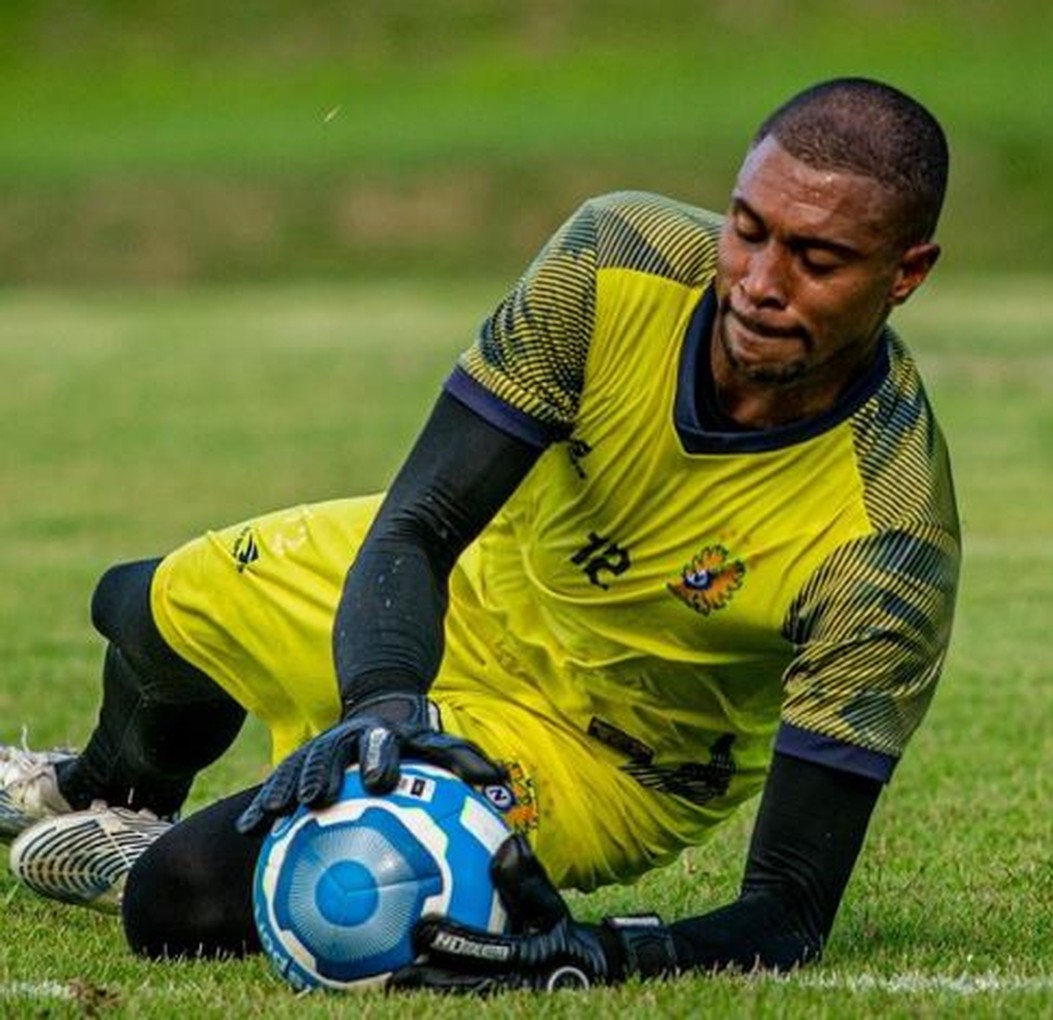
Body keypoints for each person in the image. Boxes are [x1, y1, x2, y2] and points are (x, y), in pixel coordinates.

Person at [0, 76, 959, 990]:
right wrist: (384, 704)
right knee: (141, 604)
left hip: (601, 753)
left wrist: (598, 953)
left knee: (181, 899)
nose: (759, 282)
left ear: (906, 273)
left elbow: (788, 912)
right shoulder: (616, 259)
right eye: (747, 230)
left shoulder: (889, 537)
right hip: (474, 586)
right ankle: (96, 792)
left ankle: (150, 857)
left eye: (817, 261)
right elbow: (421, 523)